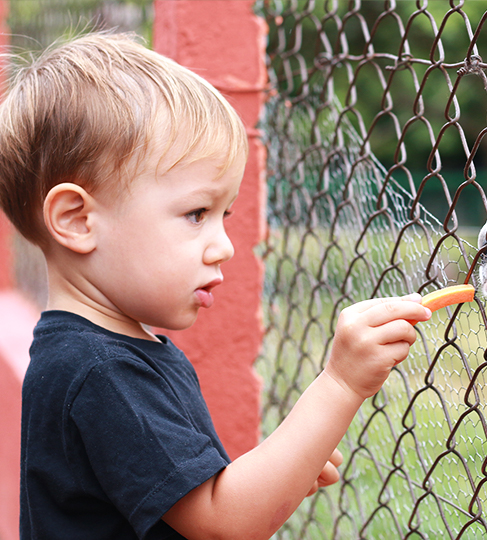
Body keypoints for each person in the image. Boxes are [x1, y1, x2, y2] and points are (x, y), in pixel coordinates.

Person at [0, 32, 431, 539]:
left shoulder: (96, 355)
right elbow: (223, 523)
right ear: (76, 220)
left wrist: (279, 474)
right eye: (196, 214)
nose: (223, 245)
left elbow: (197, 506)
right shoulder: (102, 373)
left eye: (223, 215)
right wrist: (340, 383)